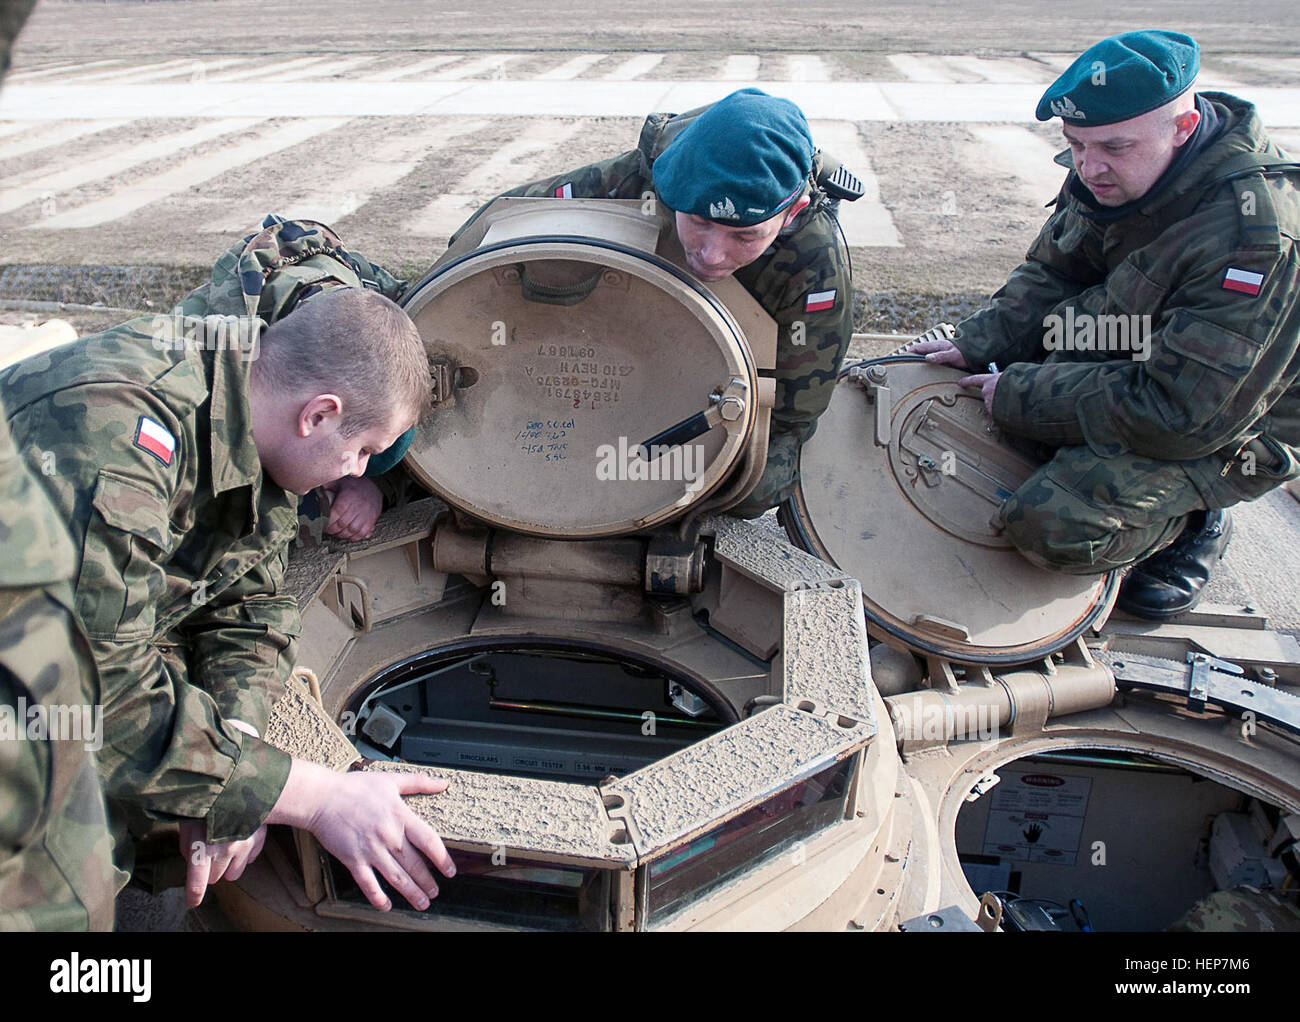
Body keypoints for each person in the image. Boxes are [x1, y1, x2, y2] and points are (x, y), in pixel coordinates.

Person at [0, 217, 455, 914]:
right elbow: (93, 693)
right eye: (363, 451)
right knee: (63, 885)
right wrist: (312, 796)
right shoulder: (116, 439)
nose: (358, 474)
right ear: (319, 415)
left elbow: (250, 606)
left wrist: (231, 764)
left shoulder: (251, 422)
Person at [911, 30, 1300, 619]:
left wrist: (1017, 390)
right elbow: (1054, 270)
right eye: (1076, 145)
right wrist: (978, 343)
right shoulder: (1118, 164)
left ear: (1184, 129)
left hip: (1232, 422)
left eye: (1113, 148)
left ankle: (1197, 517)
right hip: (1145, 356)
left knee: (1051, 523)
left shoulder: (1253, 242)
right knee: (981, 408)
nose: (1090, 167)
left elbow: (1180, 416)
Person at [339, 87, 858, 525]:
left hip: (687, 395)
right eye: (697, 221)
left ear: (791, 211)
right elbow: (477, 265)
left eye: (743, 236)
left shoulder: (813, 261)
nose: (711, 252)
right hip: (593, 351)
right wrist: (386, 478)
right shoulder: (632, 182)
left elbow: (791, 415)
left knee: (761, 486)